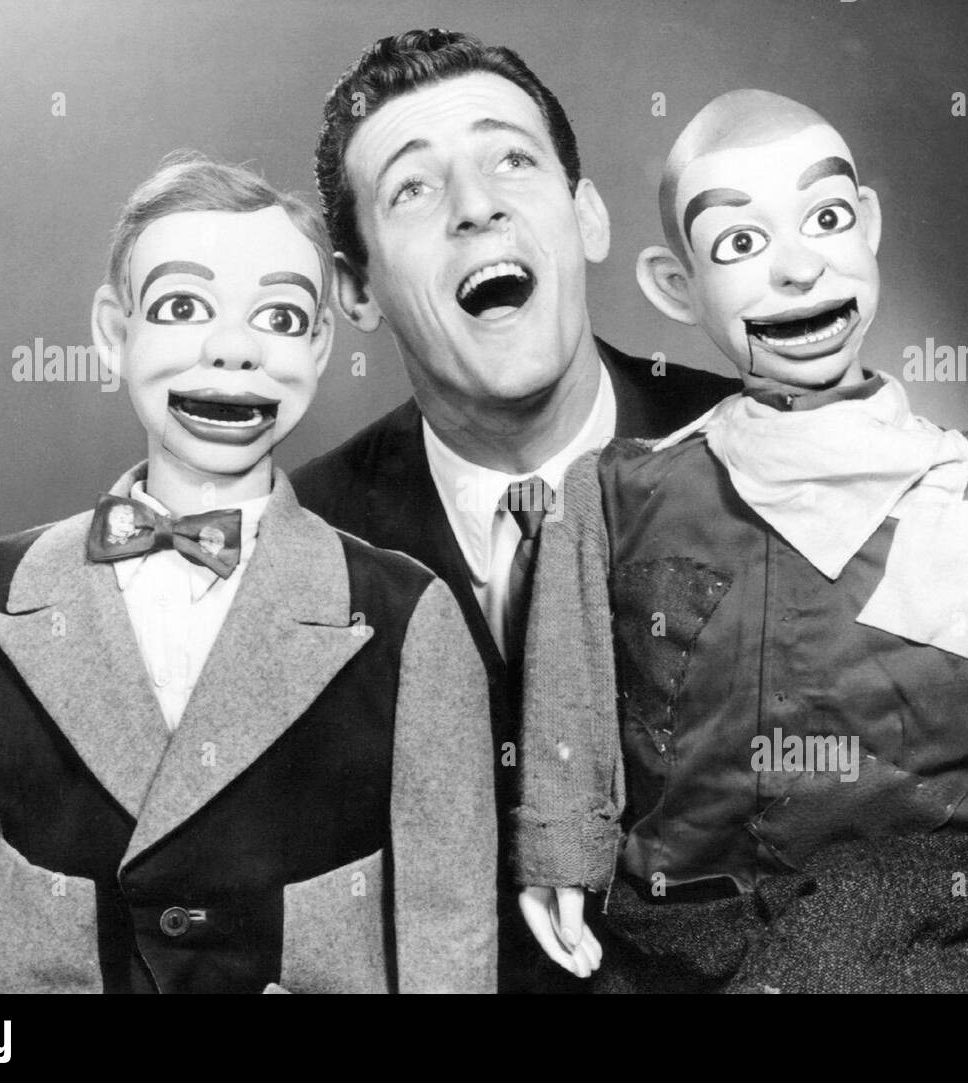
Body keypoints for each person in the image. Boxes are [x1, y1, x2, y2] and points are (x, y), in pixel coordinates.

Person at [514, 90, 968, 994]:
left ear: (871, 225)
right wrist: (560, 845)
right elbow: (571, 695)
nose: (799, 269)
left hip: (941, 934)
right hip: (680, 938)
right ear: (674, 284)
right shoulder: (614, 495)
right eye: (740, 243)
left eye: (826, 217)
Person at [0, 152, 497, 994]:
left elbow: (448, 930)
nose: (232, 350)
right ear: (114, 334)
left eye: (277, 315)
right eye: (183, 306)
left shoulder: (407, 614)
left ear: (317, 347)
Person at [290, 28, 738, 989]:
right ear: (357, 287)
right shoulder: (301, 548)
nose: (476, 206)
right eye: (413, 187)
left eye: (512, 160)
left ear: (588, 218)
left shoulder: (767, 452)